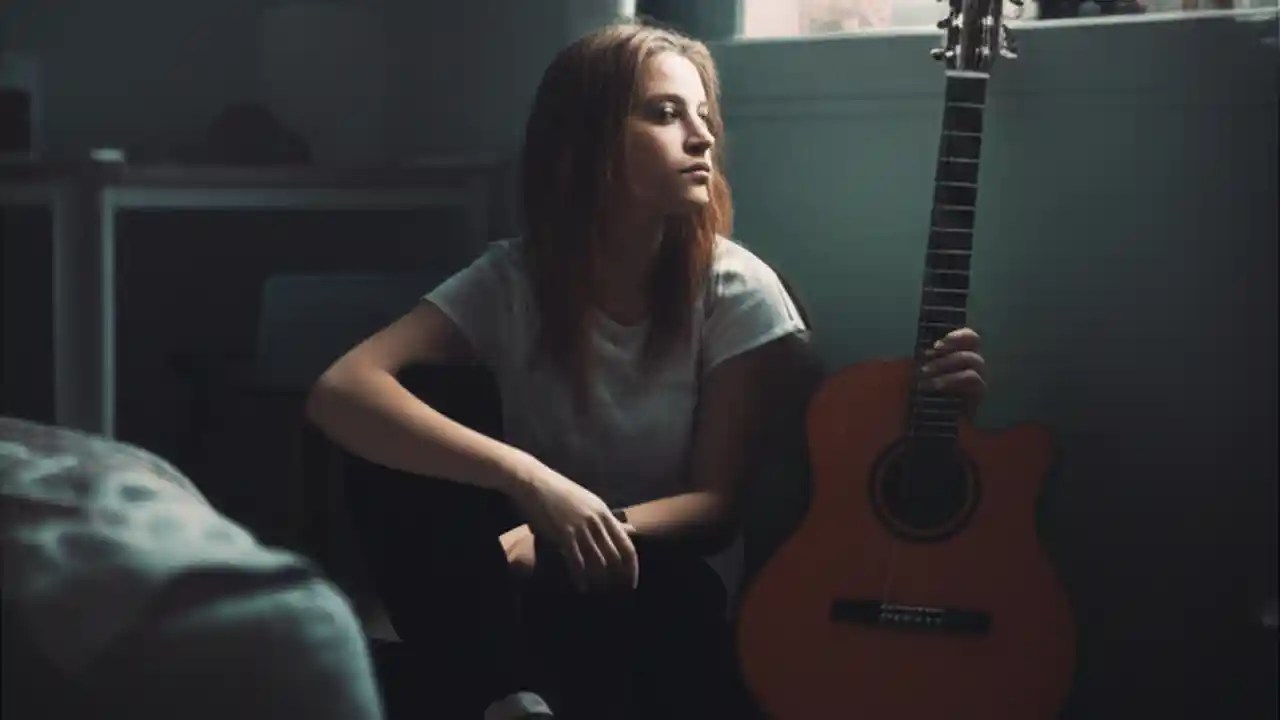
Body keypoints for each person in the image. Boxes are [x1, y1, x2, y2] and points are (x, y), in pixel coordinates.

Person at [304, 20, 988, 720]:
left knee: (660, 605)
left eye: (704, 115)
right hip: (518, 566)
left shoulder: (733, 287)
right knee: (414, 401)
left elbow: (716, 508)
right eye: (665, 113)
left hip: (654, 575)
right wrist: (530, 481)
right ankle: (506, 697)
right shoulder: (512, 279)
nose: (702, 137)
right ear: (587, 142)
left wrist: (582, 527)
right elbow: (342, 389)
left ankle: (477, 684)